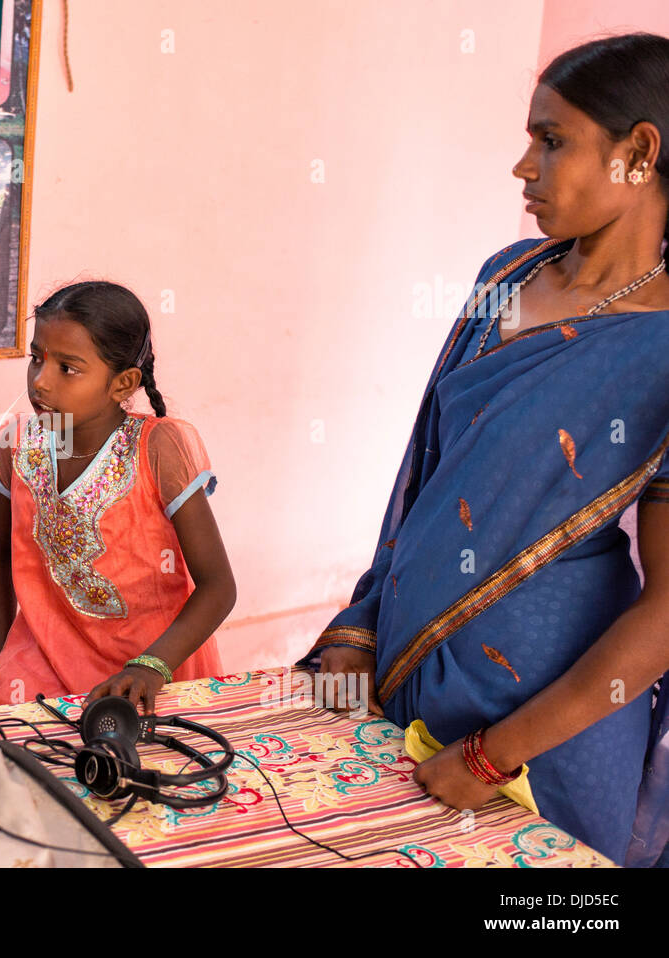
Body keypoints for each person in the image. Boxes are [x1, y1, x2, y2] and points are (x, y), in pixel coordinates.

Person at [305, 33, 669, 867]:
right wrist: (359, 627)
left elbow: (668, 610)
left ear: (638, 152)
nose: (523, 167)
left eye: (552, 140)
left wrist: (496, 752)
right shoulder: (505, 274)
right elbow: (421, 476)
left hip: (547, 721)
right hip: (410, 667)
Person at [0, 281, 236, 711]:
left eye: (67, 368)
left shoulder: (156, 448)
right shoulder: (18, 443)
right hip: (42, 659)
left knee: (140, 769)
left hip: (149, 666)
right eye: (36, 358)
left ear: (122, 382)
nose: (40, 382)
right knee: (13, 757)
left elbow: (218, 587)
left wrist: (150, 666)